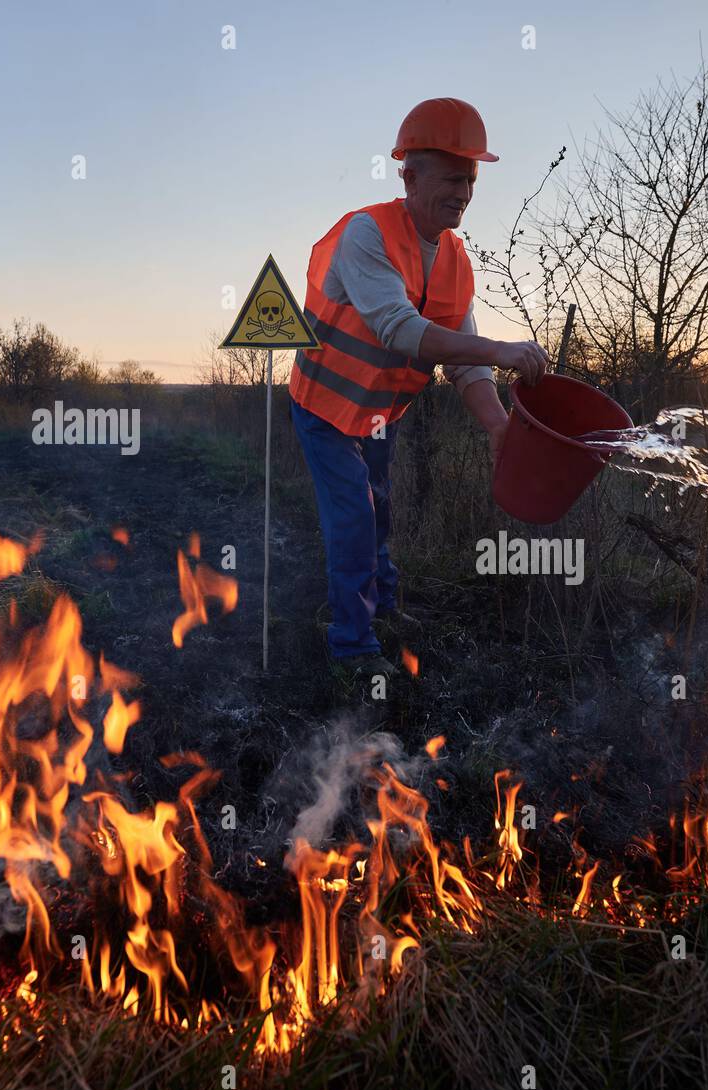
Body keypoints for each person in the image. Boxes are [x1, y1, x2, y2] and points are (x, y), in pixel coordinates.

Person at [289, 97, 549, 677]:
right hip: (326, 405)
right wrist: (503, 351)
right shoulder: (367, 235)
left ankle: (381, 607)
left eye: (471, 180)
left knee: (379, 508)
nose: (464, 192)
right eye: (453, 177)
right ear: (409, 175)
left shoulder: (455, 259)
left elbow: (465, 364)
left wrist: (497, 426)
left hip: (381, 413)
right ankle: (353, 652)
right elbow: (401, 329)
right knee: (355, 513)